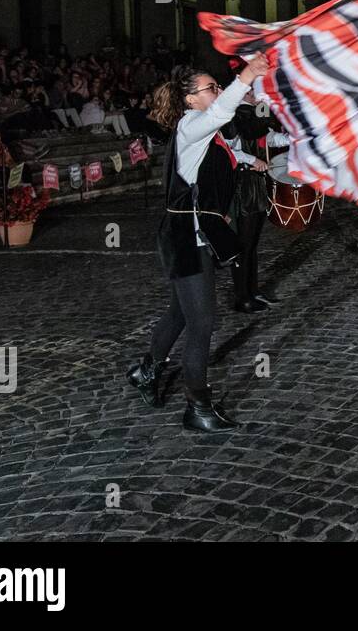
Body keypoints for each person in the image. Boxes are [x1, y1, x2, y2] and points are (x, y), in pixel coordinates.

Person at [126, 55, 270, 433]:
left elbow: (218, 159)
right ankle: (198, 407)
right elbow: (221, 113)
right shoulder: (191, 124)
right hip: (185, 239)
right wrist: (246, 76)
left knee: (180, 312)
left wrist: (244, 164)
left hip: (191, 235)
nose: (217, 92)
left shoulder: (202, 130)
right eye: (211, 88)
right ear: (190, 99)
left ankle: (146, 371)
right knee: (202, 323)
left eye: (217, 86)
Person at [221, 80, 290, 313]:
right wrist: (253, 160)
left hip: (257, 183)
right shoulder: (234, 115)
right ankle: (242, 297)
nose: (257, 94)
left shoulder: (254, 115)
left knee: (252, 243)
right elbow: (228, 149)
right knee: (244, 243)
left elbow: (269, 139)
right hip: (243, 184)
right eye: (253, 90)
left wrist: (296, 139)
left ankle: (252, 290)